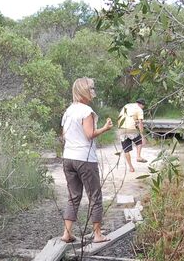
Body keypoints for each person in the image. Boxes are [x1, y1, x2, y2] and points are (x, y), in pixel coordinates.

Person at [60, 77, 114, 244]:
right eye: (91, 89)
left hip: (68, 158)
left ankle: (67, 234)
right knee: (95, 196)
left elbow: (63, 135)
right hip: (85, 159)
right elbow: (89, 135)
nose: (93, 92)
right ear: (83, 91)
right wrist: (104, 128)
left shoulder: (68, 111)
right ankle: (98, 235)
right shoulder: (86, 111)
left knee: (73, 197)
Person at [117, 98, 147, 172]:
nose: (143, 108)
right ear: (141, 105)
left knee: (126, 149)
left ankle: (131, 167)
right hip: (130, 128)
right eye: (143, 106)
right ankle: (138, 156)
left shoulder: (127, 105)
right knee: (139, 141)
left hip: (121, 128)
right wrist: (142, 135)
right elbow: (140, 123)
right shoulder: (139, 109)